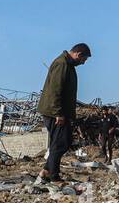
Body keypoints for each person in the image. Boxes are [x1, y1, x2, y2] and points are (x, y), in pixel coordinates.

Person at [37, 44, 91, 182]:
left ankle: (46, 171)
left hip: (60, 112)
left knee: (62, 142)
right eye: (84, 59)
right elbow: (55, 90)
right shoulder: (62, 64)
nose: (83, 63)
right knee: (60, 143)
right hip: (55, 112)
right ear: (78, 54)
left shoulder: (67, 65)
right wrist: (58, 113)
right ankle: (53, 175)